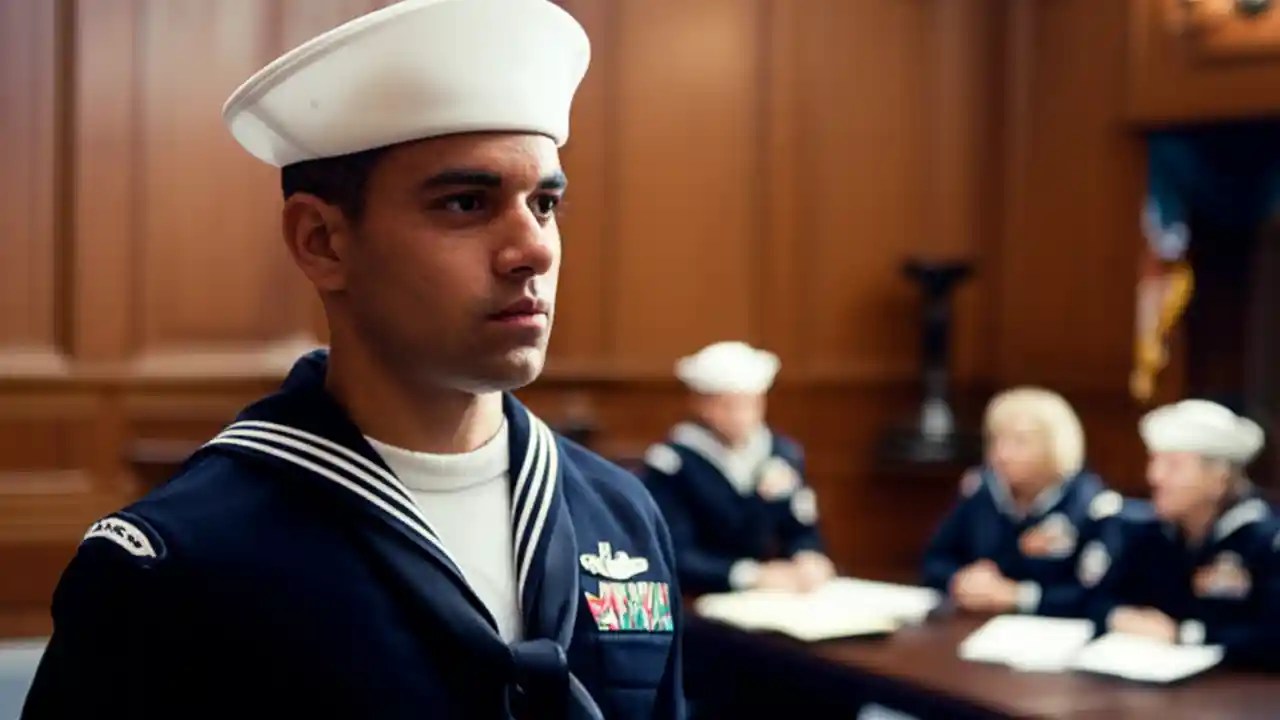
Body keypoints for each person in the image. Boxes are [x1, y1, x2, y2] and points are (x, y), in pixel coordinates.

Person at [22, 2, 684, 718]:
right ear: (322, 242)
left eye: (544, 204)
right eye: (466, 203)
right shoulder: (180, 566)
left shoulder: (621, 515)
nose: (535, 249)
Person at [1088, 400, 1280, 669]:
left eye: (1174, 466)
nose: (1155, 477)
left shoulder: (1265, 539)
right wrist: (1118, 616)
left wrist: (1185, 635)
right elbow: (1099, 598)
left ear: (1220, 479)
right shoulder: (1151, 533)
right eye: (1154, 461)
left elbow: (1272, 636)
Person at [642, 341, 834, 594]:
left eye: (751, 404)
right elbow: (672, 551)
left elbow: (800, 524)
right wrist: (748, 575)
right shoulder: (672, 464)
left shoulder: (782, 453)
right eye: (727, 406)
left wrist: (808, 555)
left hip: (772, 594)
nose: (741, 416)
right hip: (702, 595)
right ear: (701, 405)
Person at [921, 387, 1124, 617]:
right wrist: (959, 580)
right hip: (976, 624)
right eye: (996, 440)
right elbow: (935, 559)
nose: (1002, 454)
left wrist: (1019, 596)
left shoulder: (1090, 506)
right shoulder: (983, 493)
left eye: (1020, 442)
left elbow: (1097, 593)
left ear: (1055, 446)